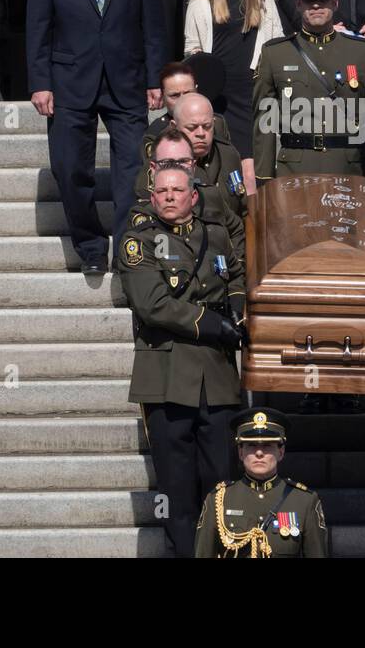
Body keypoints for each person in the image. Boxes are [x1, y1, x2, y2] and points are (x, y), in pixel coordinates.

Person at [26, 0, 167, 274]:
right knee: (70, 169)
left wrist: (155, 78)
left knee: (132, 172)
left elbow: (152, 24)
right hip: (70, 79)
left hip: (126, 79)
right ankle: (90, 246)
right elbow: (38, 28)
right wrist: (40, 82)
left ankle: (126, 249)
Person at [119, 164, 245, 558]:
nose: (169, 196)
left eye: (177, 190)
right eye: (162, 191)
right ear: (152, 197)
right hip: (168, 379)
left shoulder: (217, 236)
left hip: (217, 377)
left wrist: (239, 310)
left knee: (222, 484)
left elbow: (237, 276)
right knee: (177, 490)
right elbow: (153, 304)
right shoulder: (138, 243)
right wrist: (212, 323)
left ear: (194, 196)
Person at [251, 0, 365, 182]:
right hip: (293, 173)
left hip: (347, 170)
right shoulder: (276, 54)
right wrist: (263, 178)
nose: (316, 5)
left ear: (335, 2)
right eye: (308, 0)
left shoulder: (363, 53)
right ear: (298, 4)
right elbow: (264, 124)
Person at [184, 0, 284, 168]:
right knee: (225, 164)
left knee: (254, 166)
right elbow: (190, 52)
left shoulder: (264, 0)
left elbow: (277, 43)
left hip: (253, 91)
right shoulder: (200, 3)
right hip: (218, 94)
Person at [195, 408, 329, 557]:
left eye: (267, 445)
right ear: (240, 452)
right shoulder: (218, 500)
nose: (259, 453)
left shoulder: (304, 501)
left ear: (281, 452)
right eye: (251, 446)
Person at [130, 127, 246, 258]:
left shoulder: (210, 195)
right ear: (153, 168)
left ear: (193, 166)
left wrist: (234, 266)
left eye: (183, 162)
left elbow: (236, 230)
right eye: (167, 162)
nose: (176, 168)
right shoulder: (145, 209)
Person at [135, 94, 247, 223]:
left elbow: (241, 210)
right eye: (192, 128)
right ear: (174, 127)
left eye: (207, 126)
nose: (201, 134)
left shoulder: (228, 155)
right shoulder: (161, 163)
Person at [141, 61, 233, 165]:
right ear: (163, 97)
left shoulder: (218, 123)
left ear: (196, 90)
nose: (183, 99)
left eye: (188, 93)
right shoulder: (156, 134)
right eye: (175, 95)